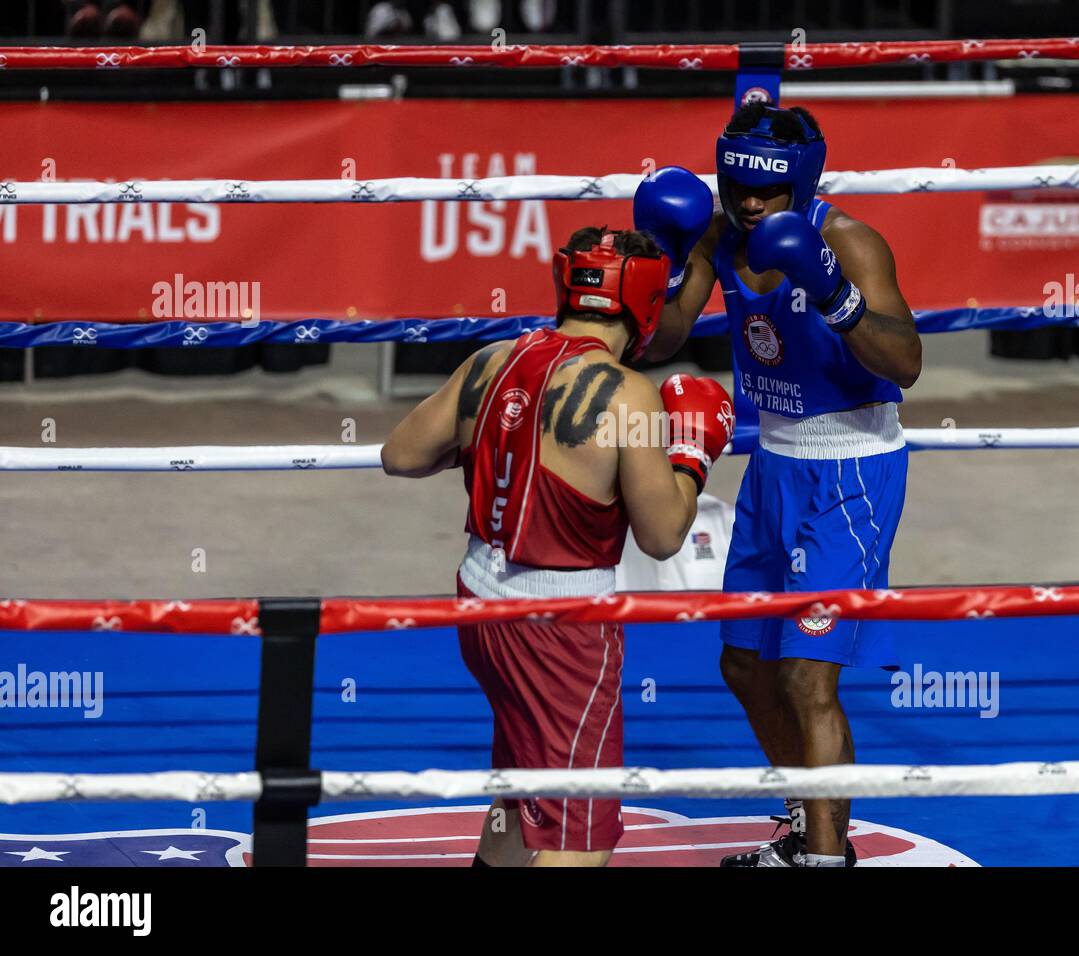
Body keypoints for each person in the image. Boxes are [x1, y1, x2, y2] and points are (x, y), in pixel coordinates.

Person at [381, 227, 735, 867]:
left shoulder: (492, 361)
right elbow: (661, 537)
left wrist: (491, 441)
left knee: (519, 795)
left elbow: (400, 455)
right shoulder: (630, 396)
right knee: (581, 839)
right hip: (562, 626)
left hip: (478, 603)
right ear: (648, 304)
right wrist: (692, 453)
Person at [634, 104, 923, 867]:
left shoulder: (848, 241)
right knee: (744, 663)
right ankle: (805, 822)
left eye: (767, 190)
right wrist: (664, 260)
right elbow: (662, 343)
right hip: (772, 467)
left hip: (852, 470)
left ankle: (828, 858)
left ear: (801, 181)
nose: (751, 203)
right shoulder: (718, 234)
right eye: (738, 185)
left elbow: (905, 364)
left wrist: (836, 295)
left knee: (806, 674)